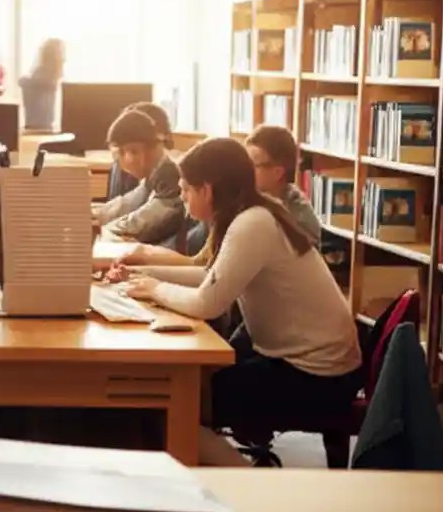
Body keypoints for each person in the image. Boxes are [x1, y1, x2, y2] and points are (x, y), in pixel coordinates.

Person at [116, 138, 362, 426]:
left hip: (319, 376)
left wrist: (154, 289)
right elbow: (213, 277)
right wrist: (145, 277)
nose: (182, 197)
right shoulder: (254, 213)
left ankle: (238, 473)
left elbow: (208, 303)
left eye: (185, 189)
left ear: (206, 190)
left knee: (183, 402)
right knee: (186, 391)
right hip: (309, 363)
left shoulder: (252, 224)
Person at [116, 125, 320, 267]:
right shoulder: (246, 204)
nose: (242, 169)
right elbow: (201, 263)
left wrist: (147, 261)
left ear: (277, 173)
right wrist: (144, 256)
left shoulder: (291, 221)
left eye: (252, 164)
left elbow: (208, 275)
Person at [92, 109, 184, 244]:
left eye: (122, 153)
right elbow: (126, 203)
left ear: (136, 150)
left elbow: (139, 223)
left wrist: (100, 231)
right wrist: (92, 215)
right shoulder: (156, 173)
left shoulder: (170, 178)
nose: (120, 162)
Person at [19, 38, 64, 131]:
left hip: (40, 126)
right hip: (39, 127)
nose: (64, 59)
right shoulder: (45, 76)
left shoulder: (48, 77)